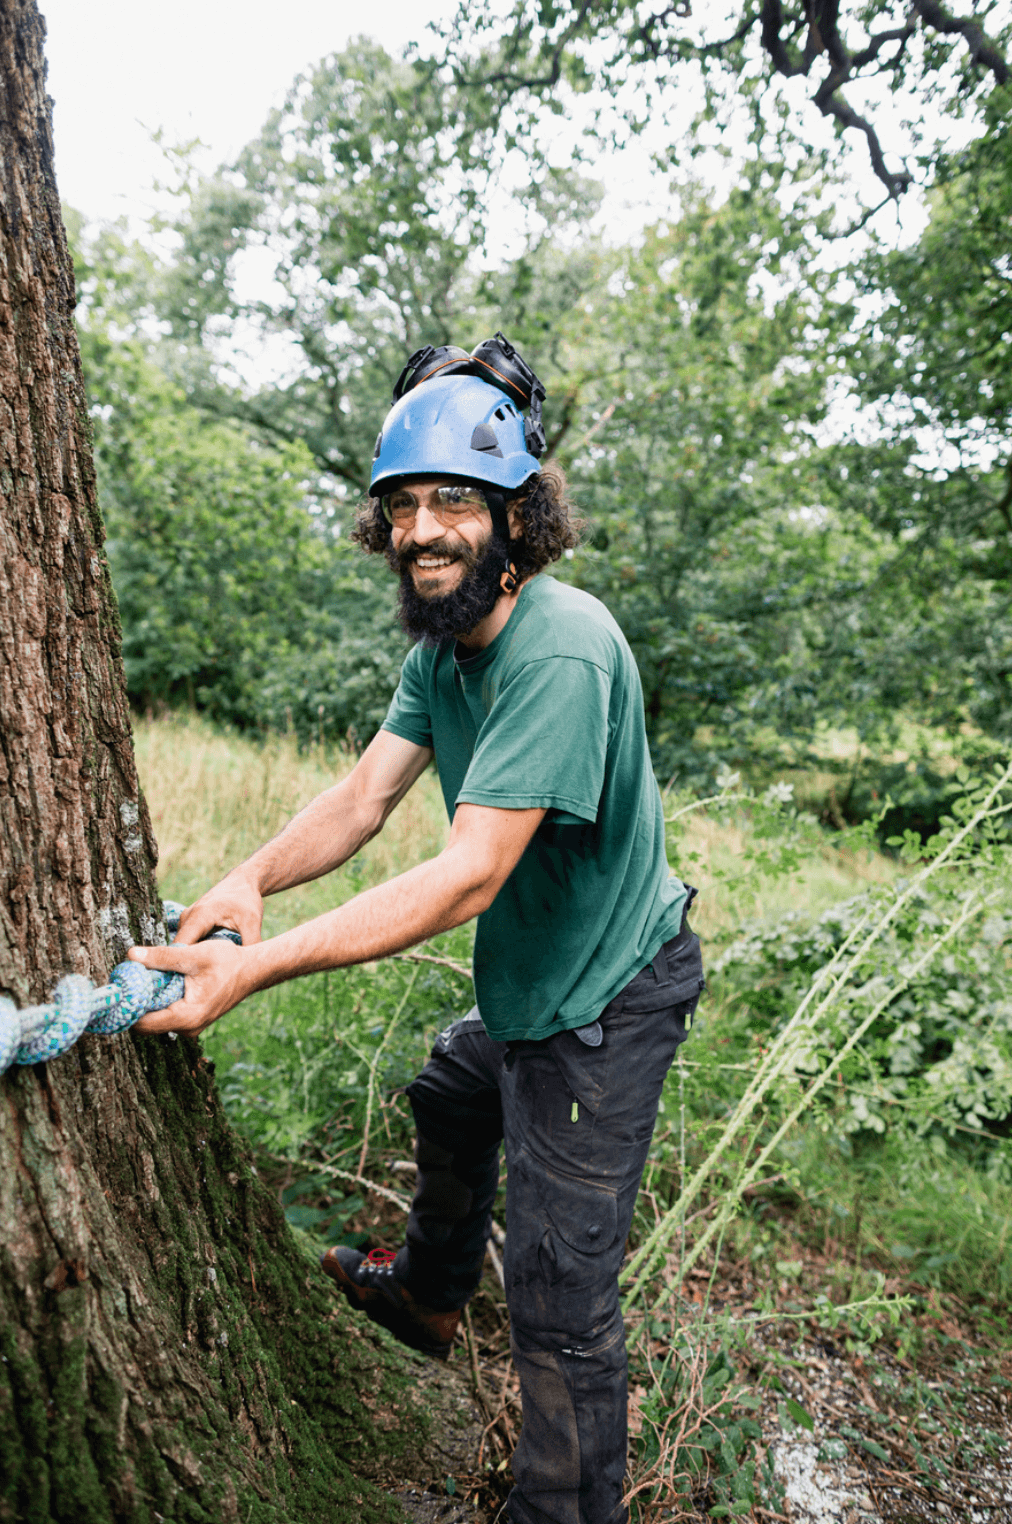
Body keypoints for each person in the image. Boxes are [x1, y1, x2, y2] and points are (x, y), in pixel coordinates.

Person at [130, 334, 704, 1524]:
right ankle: (427, 1303)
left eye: (455, 500)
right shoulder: (445, 650)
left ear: (515, 514)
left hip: (607, 1002)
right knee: (450, 1092)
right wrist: (244, 882)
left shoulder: (559, 648)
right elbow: (360, 797)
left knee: (558, 1304)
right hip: (530, 984)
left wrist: (260, 968)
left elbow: (463, 878)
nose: (425, 529)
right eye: (403, 504)